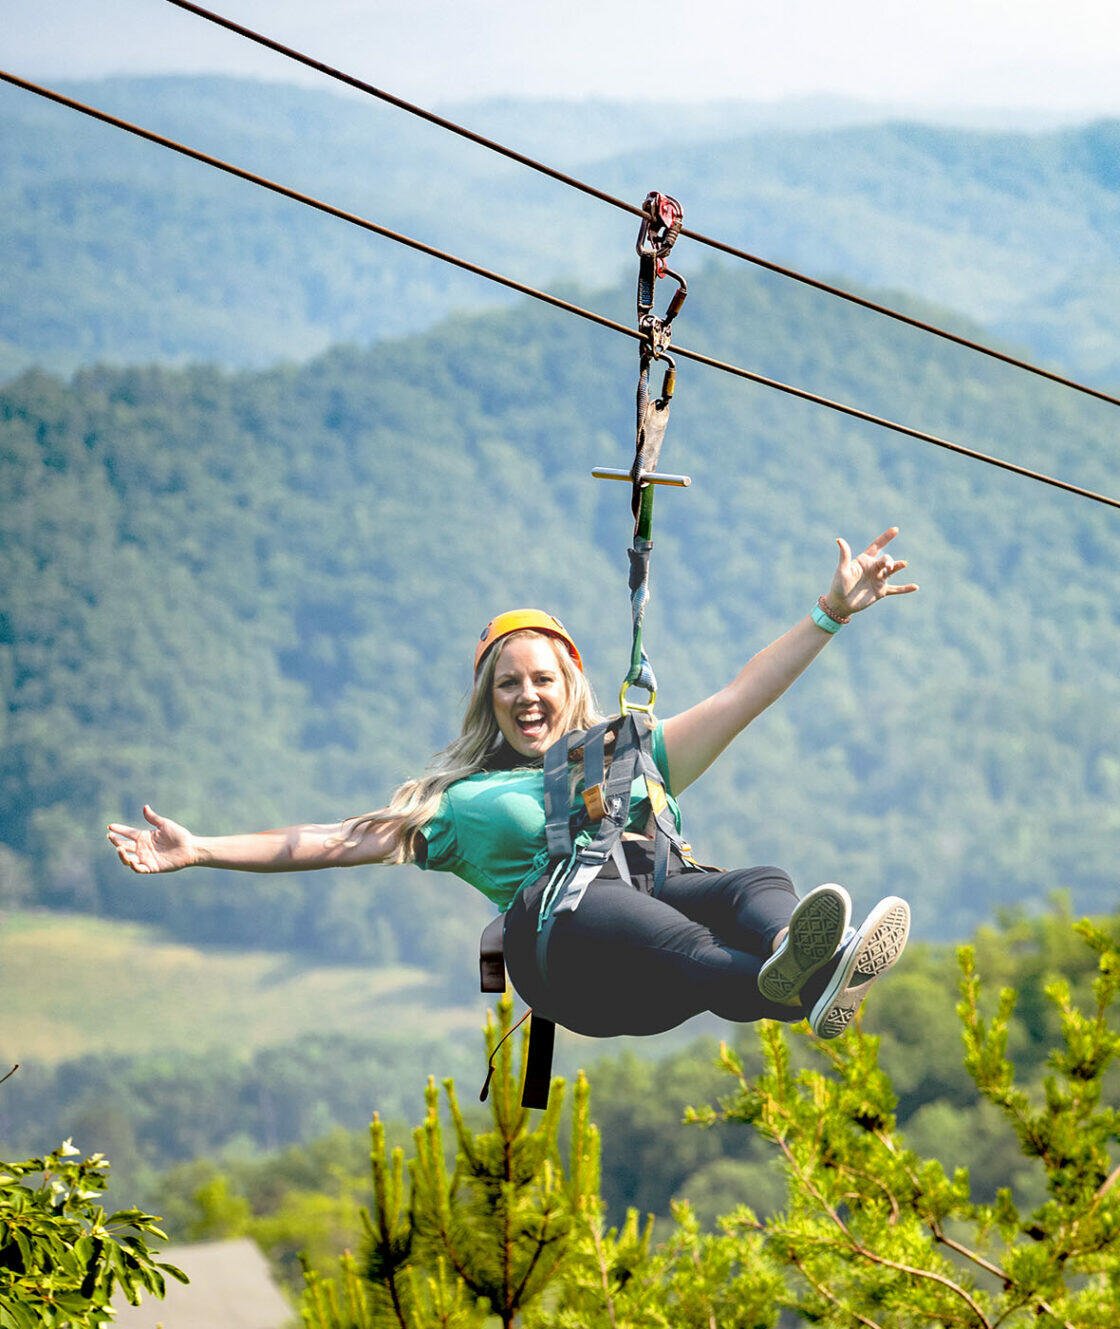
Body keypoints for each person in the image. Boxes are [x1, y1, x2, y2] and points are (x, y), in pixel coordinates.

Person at [108, 527, 918, 1043]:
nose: (527, 696)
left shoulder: (629, 754)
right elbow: (327, 840)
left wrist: (830, 613)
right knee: (651, 921)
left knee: (756, 882)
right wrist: (201, 849)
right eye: (508, 685)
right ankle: (796, 980)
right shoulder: (457, 803)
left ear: (571, 681)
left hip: (653, 960)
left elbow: (742, 696)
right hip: (567, 948)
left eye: (541, 678)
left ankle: (804, 966)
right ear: (488, 701)